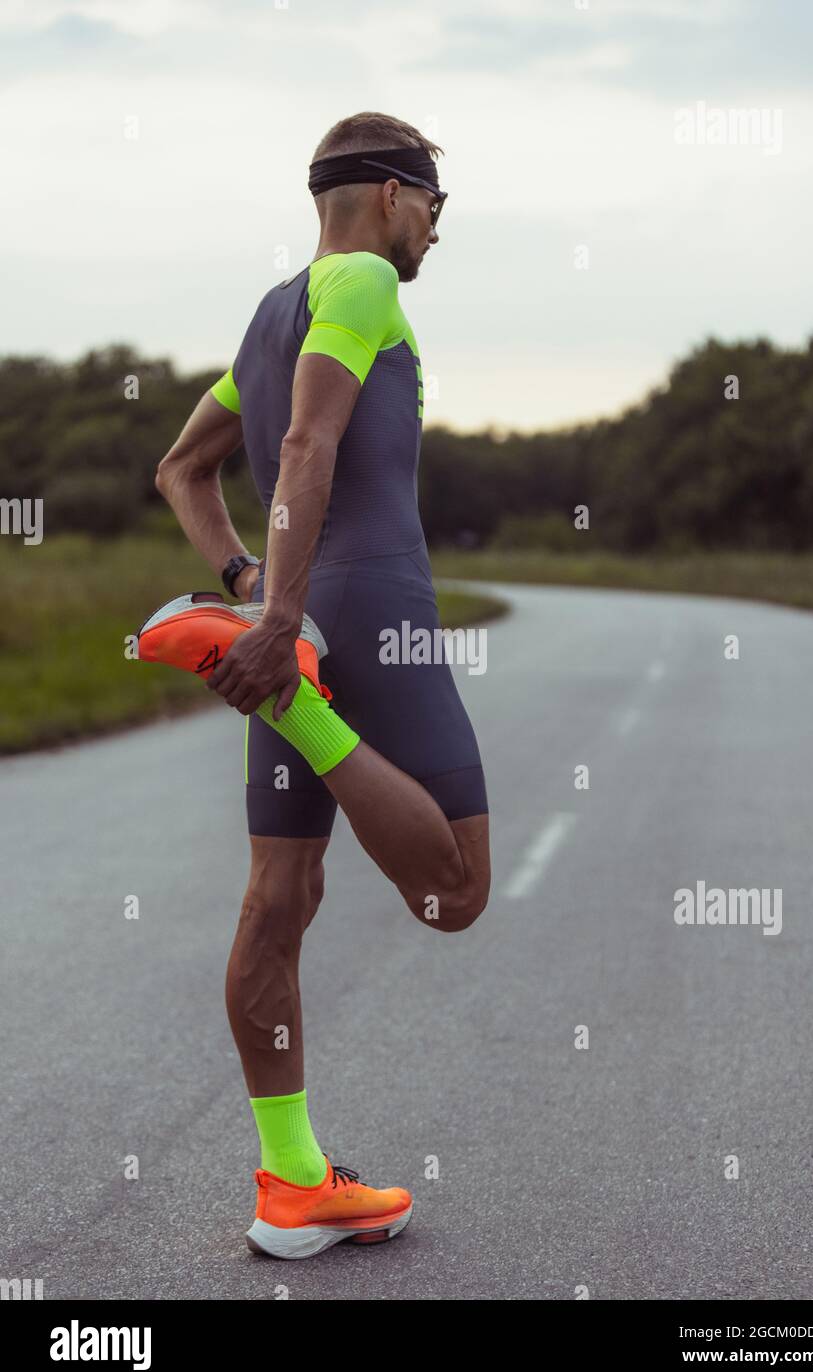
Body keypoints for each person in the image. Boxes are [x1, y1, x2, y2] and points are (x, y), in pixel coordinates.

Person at [153, 111, 490, 1259]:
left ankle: (292, 1182)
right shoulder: (359, 282)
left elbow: (180, 467)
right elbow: (308, 447)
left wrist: (245, 581)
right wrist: (283, 621)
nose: (440, 234)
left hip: (298, 601)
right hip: (366, 608)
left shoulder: (266, 319)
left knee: (279, 899)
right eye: (438, 208)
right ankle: (297, 691)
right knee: (455, 890)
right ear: (394, 194)